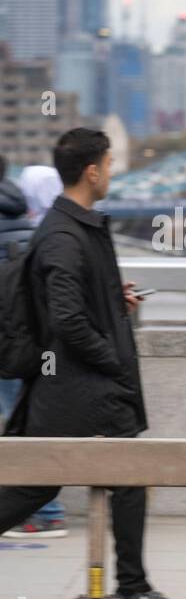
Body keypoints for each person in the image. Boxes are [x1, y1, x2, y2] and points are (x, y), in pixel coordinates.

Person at [0, 128, 166, 599]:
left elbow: (79, 304)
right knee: (38, 486)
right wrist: (110, 356)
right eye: (110, 164)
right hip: (78, 388)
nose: (113, 171)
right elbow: (66, 319)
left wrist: (116, 302)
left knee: (118, 479)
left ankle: (132, 585)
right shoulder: (62, 236)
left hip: (87, 385)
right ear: (92, 171)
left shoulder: (80, 226)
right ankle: (132, 586)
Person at [0, 161, 68, 538]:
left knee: (19, 422)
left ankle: (44, 514)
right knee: (25, 420)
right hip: (28, 337)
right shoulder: (21, 216)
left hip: (7, 339)